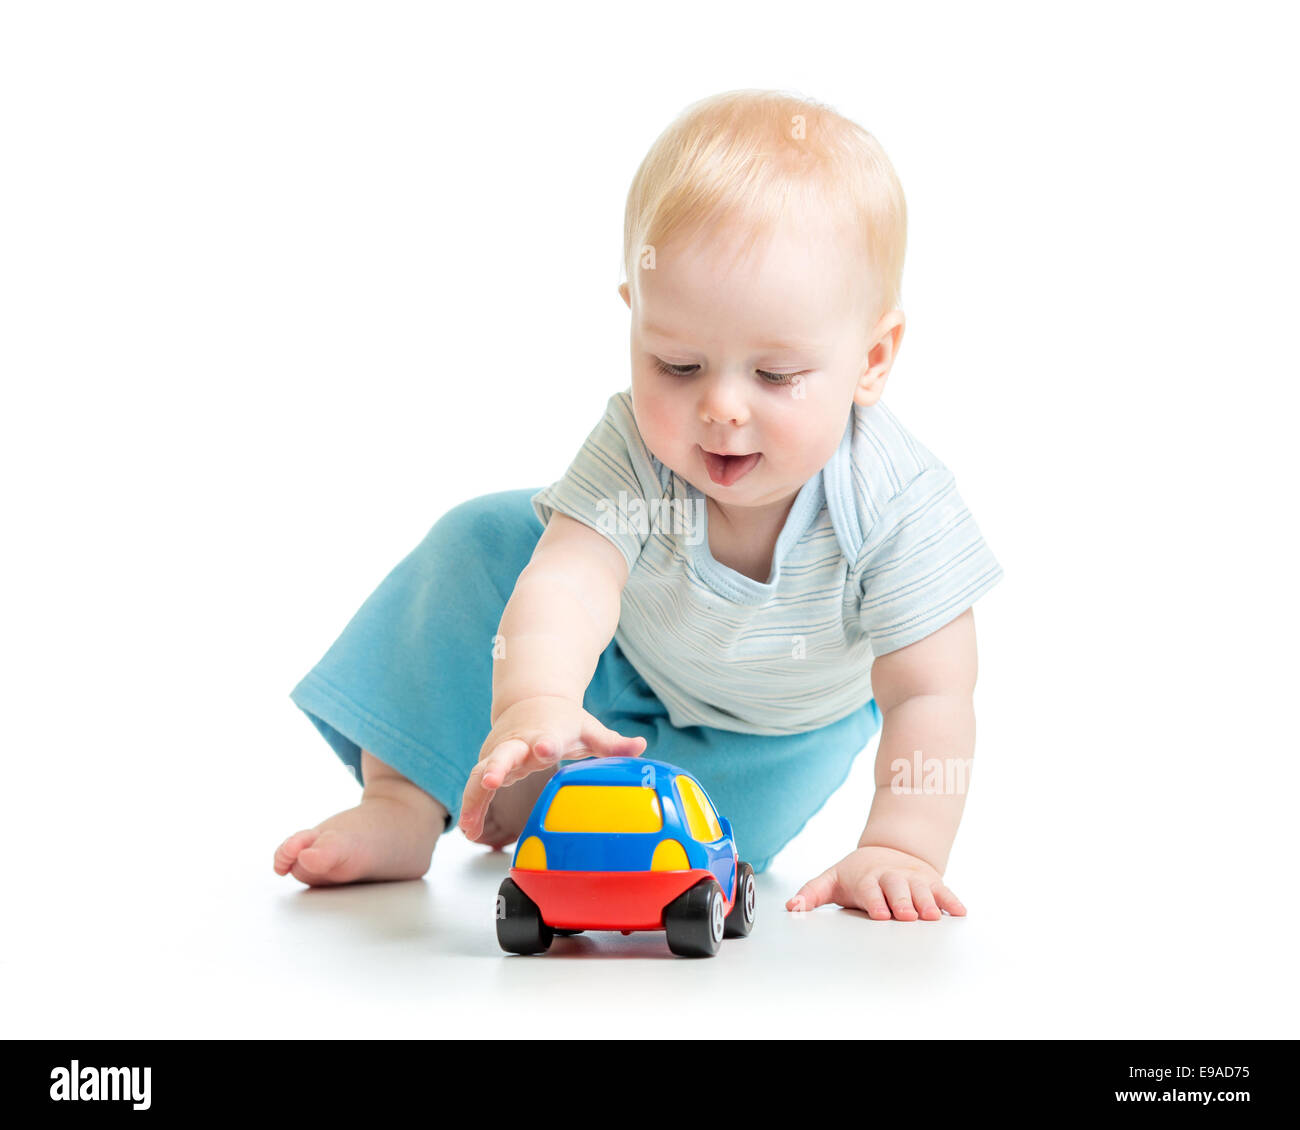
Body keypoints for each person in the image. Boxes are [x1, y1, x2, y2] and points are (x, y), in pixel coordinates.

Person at [274, 88, 1003, 921]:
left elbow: (930, 694)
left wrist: (902, 844)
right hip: (615, 667)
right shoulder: (635, 453)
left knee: (690, 834)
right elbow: (569, 588)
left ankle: (535, 803)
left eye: (774, 376)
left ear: (872, 359)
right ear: (637, 318)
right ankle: (407, 792)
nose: (722, 408)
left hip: (766, 740)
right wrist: (536, 699)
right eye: (679, 365)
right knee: (485, 538)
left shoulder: (896, 499)